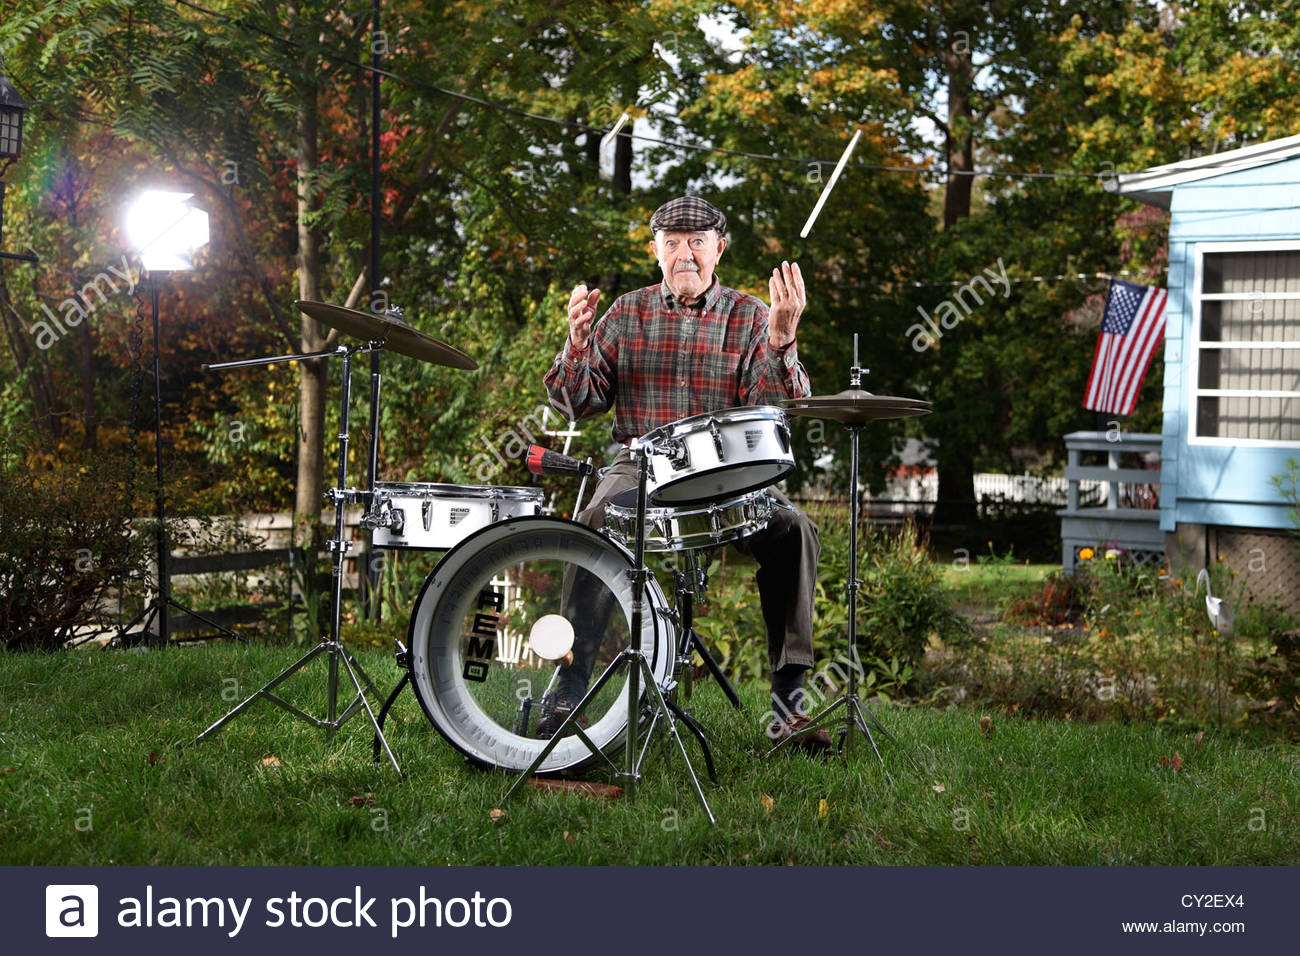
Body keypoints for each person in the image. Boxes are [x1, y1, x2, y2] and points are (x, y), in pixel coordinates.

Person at [540, 195, 830, 752]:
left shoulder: (751, 316)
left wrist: (781, 341)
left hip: (731, 467)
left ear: (719, 248)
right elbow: (577, 405)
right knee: (595, 518)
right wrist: (576, 346)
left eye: (697, 241)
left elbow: (780, 410)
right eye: (672, 243)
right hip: (641, 463)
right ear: (655, 251)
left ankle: (789, 705)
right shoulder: (626, 311)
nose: (685, 254)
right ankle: (567, 688)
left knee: (795, 530)